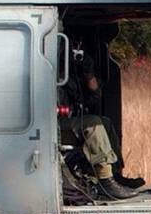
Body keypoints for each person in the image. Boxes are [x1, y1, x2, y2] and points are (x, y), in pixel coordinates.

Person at [61, 43, 144, 201]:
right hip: (50, 126)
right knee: (93, 125)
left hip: (65, 123)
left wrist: (89, 74)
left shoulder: (71, 73)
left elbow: (94, 96)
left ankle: (114, 174)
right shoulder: (50, 70)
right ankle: (105, 182)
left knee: (104, 122)